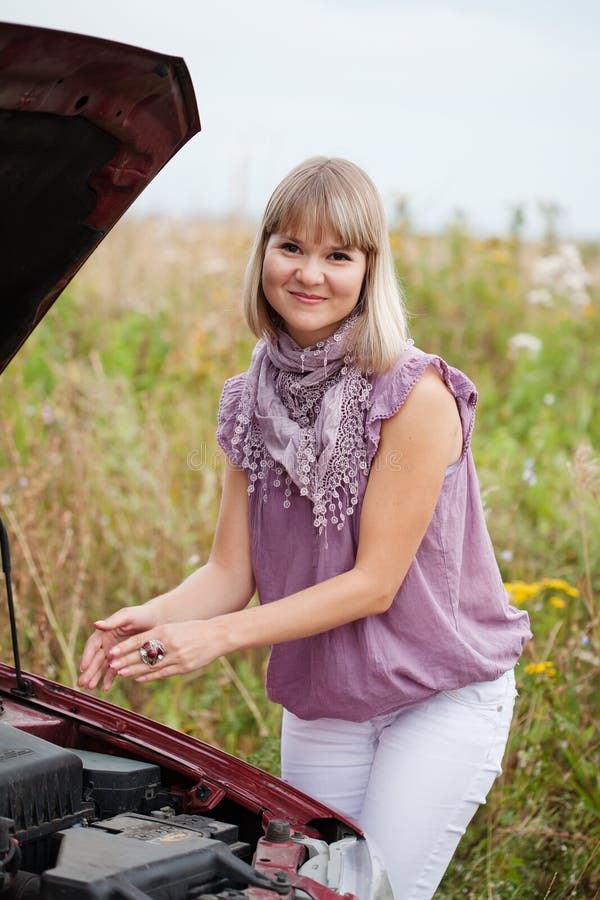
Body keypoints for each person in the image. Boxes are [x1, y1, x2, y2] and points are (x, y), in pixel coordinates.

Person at [78, 156, 531, 898]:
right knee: (302, 892)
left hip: (439, 695)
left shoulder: (414, 394)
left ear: (369, 269)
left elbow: (374, 585)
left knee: (373, 894)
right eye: (290, 247)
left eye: (337, 255)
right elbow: (232, 571)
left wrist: (217, 639)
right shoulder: (250, 395)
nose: (309, 273)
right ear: (263, 253)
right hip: (329, 692)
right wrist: (151, 619)